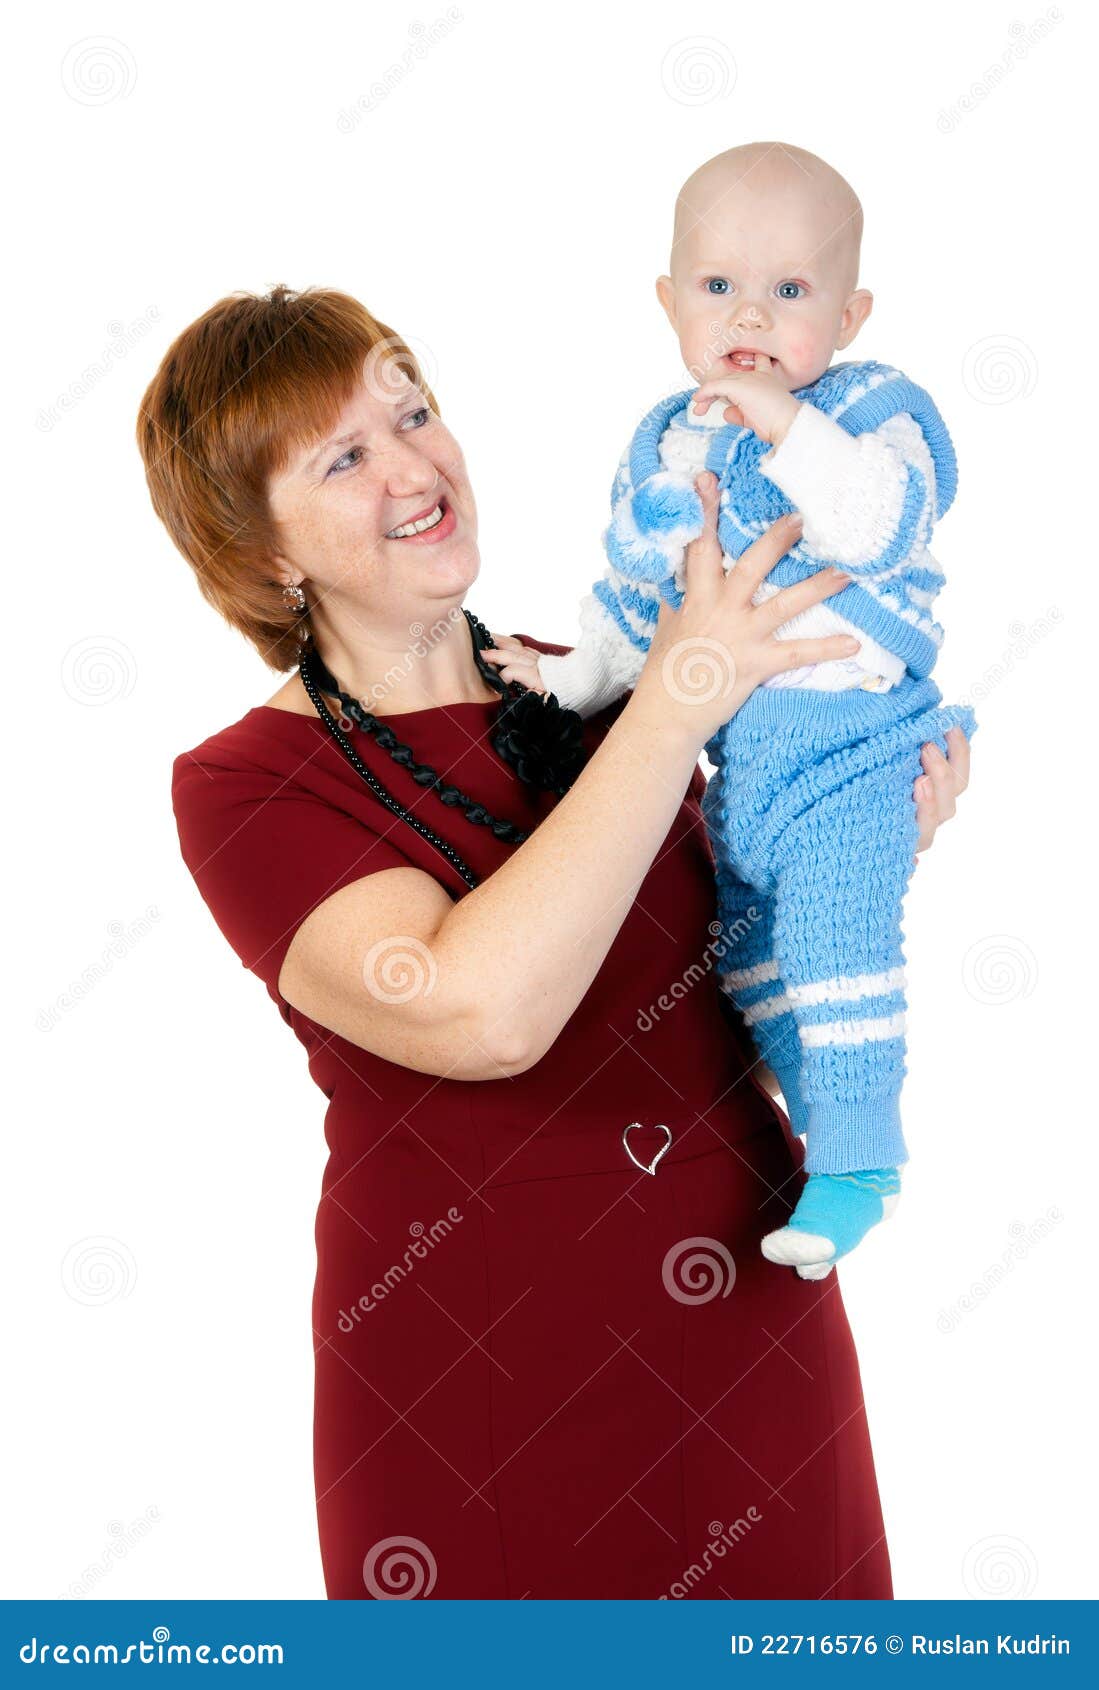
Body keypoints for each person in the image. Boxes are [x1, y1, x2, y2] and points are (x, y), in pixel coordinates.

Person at [140, 284, 969, 1600]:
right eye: (344, 456)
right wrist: (683, 690)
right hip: (478, 1390)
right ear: (264, 551)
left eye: (411, 411)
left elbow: (714, 973)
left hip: (749, 1337)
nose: (414, 465)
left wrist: (863, 833)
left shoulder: (589, 680)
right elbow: (479, 1013)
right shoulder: (248, 784)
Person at [526, 140, 977, 1276]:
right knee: (749, 962)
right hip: (746, 767)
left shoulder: (870, 412)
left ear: (852, 312)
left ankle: (863, 1159)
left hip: (856, 738)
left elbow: (881, 524)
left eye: (792, 292)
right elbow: (642, 595)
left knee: (835, 937)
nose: (753, 316)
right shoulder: (664, 442)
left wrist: (784, 423)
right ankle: (822, 1132)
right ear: (669, 301)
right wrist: (577, 677)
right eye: (720, 286)